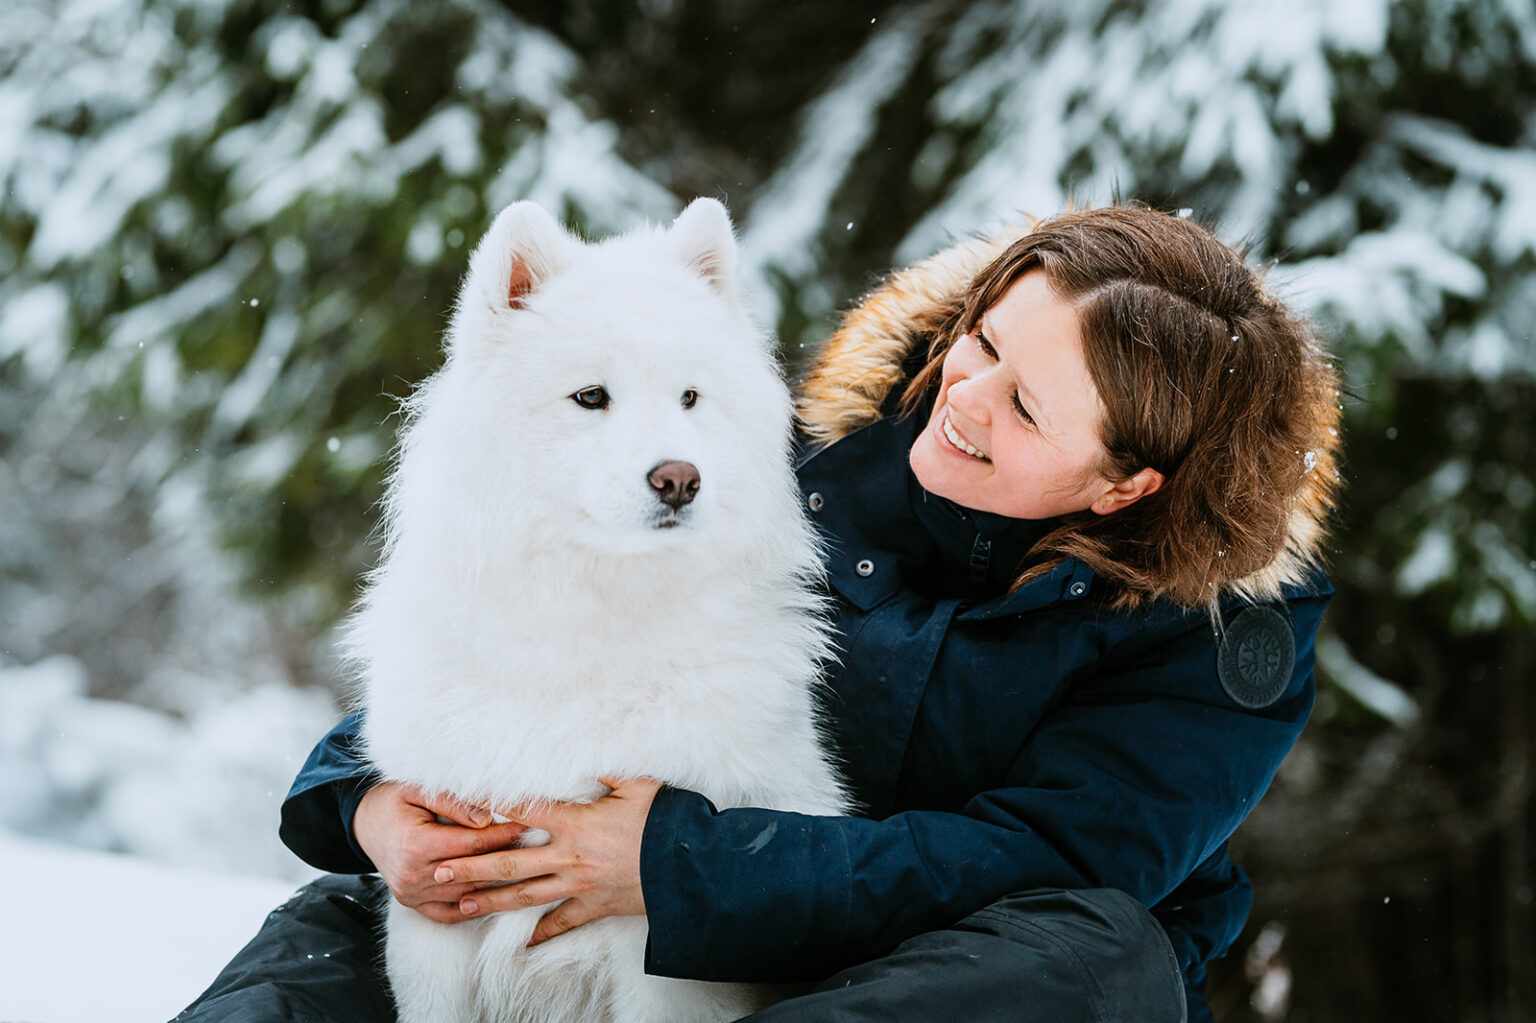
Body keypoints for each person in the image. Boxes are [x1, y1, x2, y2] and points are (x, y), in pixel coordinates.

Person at [179, 205, 1341, 1023]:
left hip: (925, 975)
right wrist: (368, 798)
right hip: (664, 908)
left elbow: (1038, 863)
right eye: (979, 345)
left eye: (1027, 406)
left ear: (1127, 484)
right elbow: (513, 644)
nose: (963, 401)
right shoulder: (761, 464)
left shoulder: (1220, 643)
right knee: (375, 897)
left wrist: (682, 866)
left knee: (1095, 953)